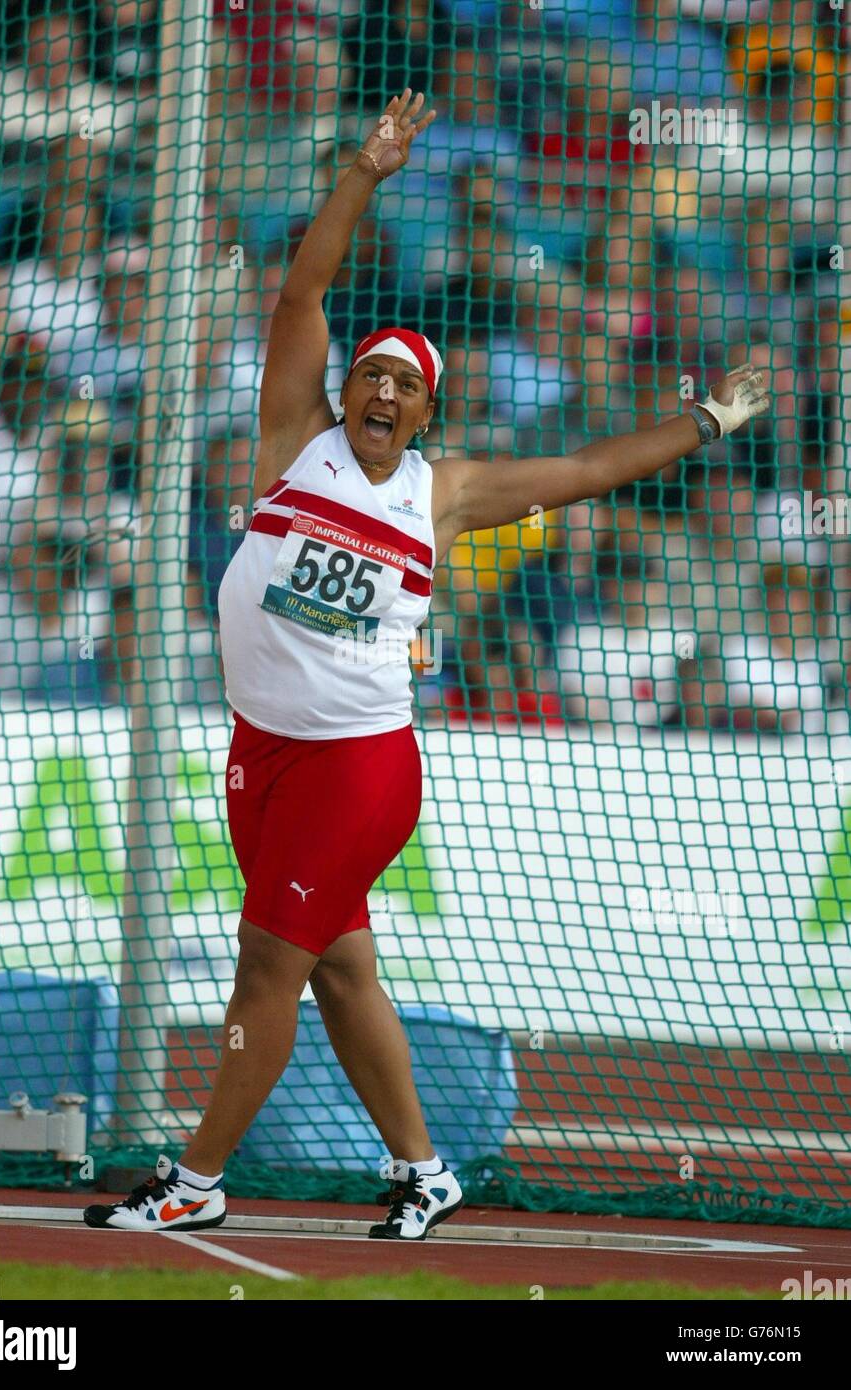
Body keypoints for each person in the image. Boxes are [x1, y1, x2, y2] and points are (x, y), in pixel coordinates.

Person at [84, 90, 770, 1241]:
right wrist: (364, 168)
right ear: (342, 390)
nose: (385, 392)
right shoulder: (287, 440)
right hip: (260, 751)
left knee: (266, 969)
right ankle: (423, 1169)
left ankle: (196, 1179)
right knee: (342, 974)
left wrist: (705, 421)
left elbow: (588, 469)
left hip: (356, 766)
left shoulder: (439, 494)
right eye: (371, 375)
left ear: (423, 412)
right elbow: (301, 290)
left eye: (406, 384)